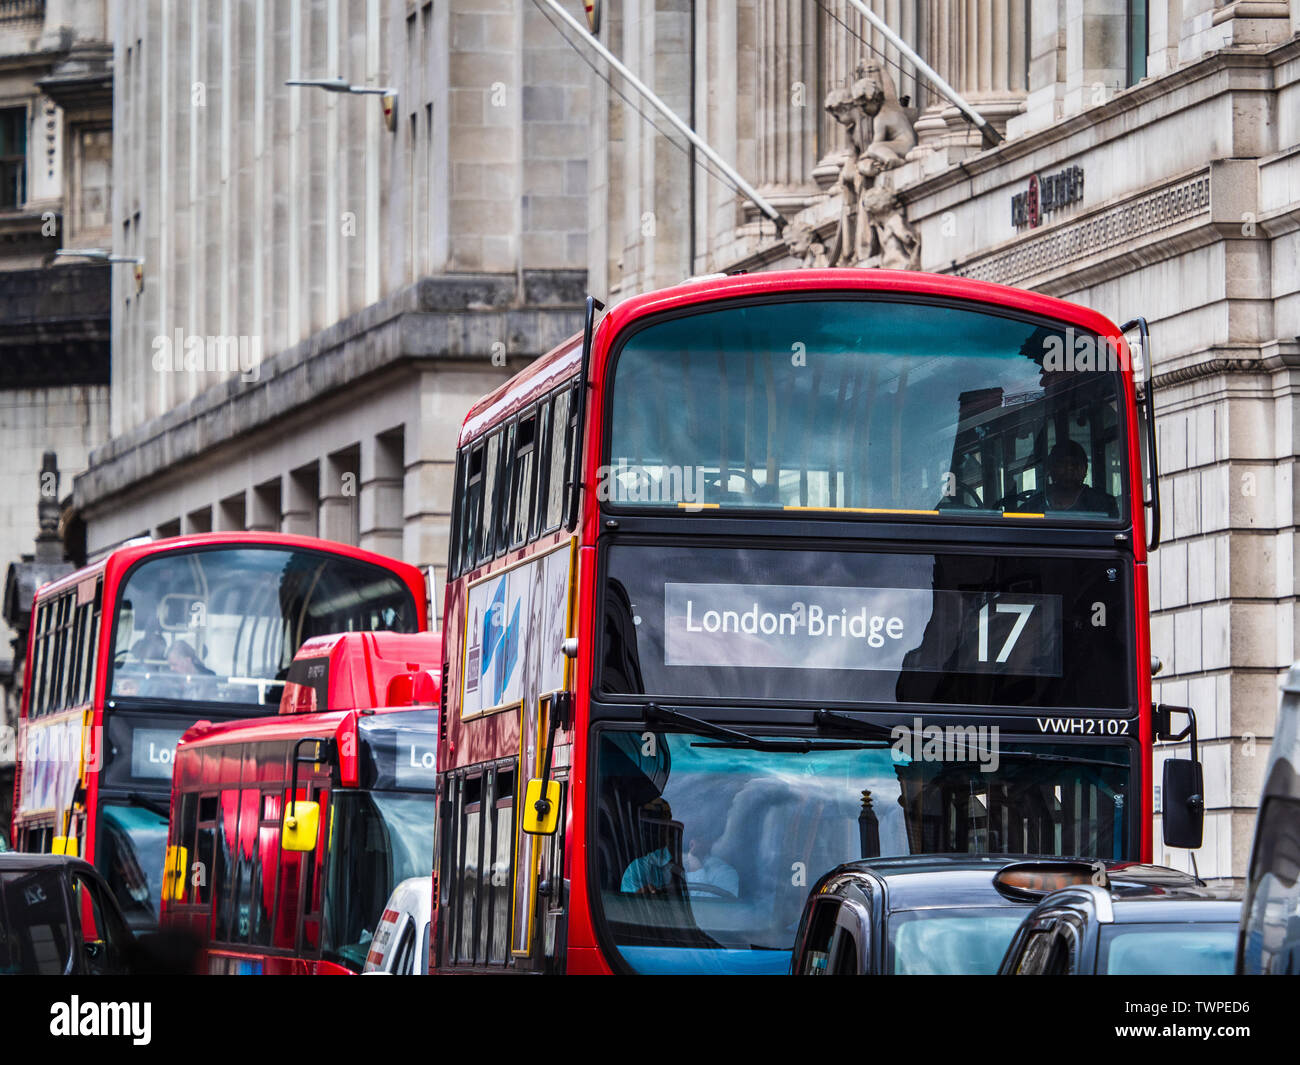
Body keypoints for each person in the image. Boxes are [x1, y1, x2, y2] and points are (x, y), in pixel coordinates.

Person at [1020, 440, 1117, 517]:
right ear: (1051, 468)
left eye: (1075, 464)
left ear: (1085, 470)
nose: (1069, 469)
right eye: (1062, 463)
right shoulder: (1034, 504)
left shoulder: (1103, 503)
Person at [620, 797, 683, 896]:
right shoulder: (636, 870)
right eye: (658, 825)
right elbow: (628, 907)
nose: (664, 831)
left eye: (665, 826)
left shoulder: (688, 859)